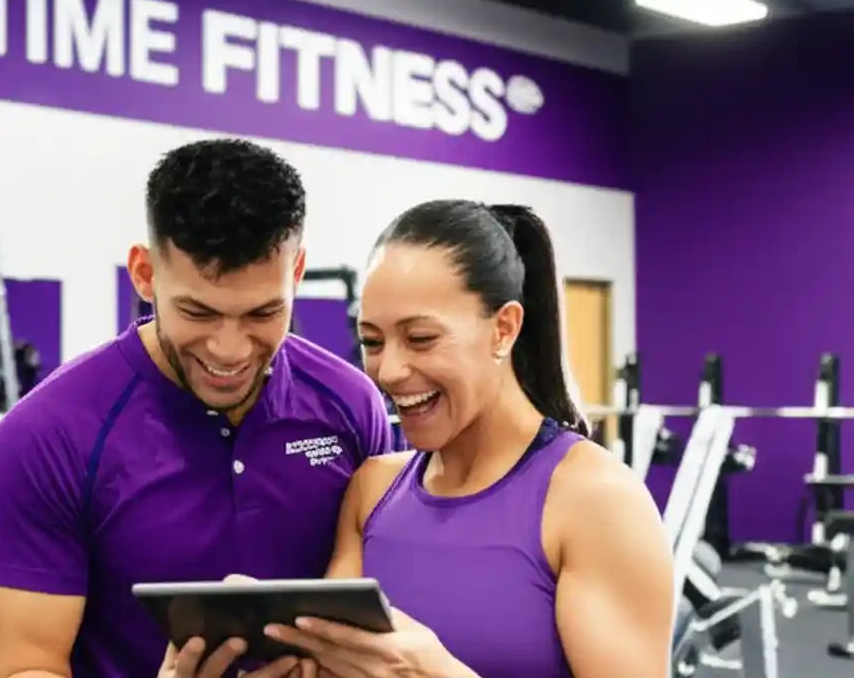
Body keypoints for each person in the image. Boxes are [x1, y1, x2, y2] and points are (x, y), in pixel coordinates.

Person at [0, 138, 399, 677]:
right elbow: (23, 668)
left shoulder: (351, 404)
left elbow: (380, 608)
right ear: (145, 274)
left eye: (263, 313)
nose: (230, 349)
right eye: (197, 312)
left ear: (297, 274)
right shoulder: (44, 437)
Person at [206, 200, 675, 677]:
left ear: (504, 329)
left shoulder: (593, 500)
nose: (388, 370)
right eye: (372, 341)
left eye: (422, 339)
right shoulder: (371, 489)